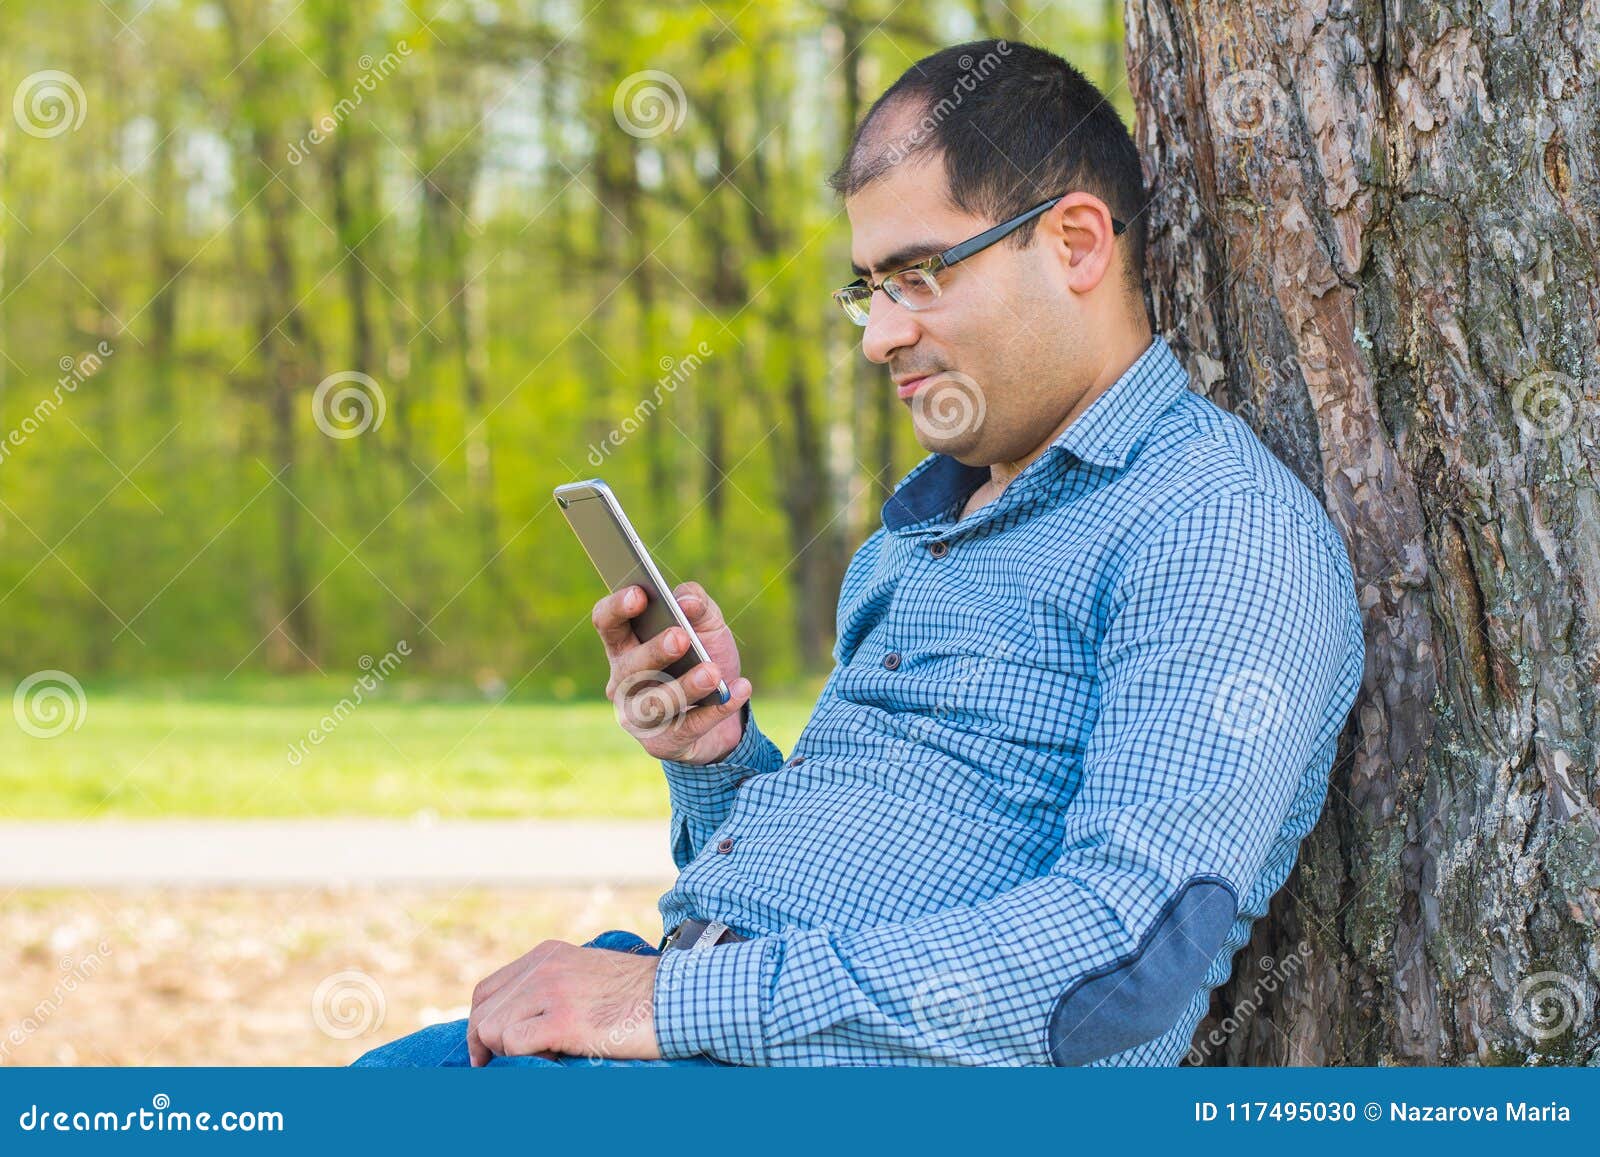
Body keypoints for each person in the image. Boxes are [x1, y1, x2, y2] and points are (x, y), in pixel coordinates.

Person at [353, 37, 1364, 1069]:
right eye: (868, 289)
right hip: (682, 1027)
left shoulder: (1214, 525)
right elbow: (816, 887)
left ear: (1074, 244)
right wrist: (715, 762)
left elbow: (1117, 964)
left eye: (918, 276)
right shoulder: (916, 534)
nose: (878, 336)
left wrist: (665, 1000)